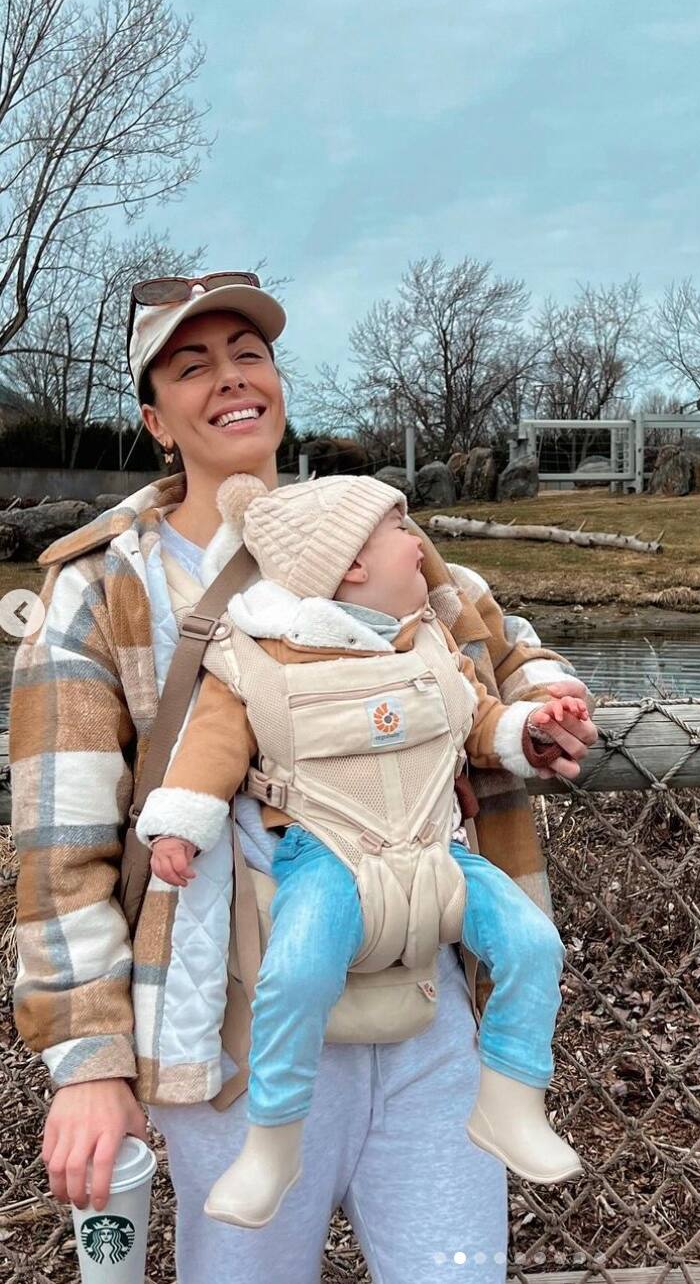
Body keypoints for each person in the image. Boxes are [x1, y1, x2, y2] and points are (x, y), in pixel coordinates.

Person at [10, 272, 597, 1283]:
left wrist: (547, 706)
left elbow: (499, 647)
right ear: (155, 417)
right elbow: (62, 847)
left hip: (426, 997)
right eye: (192, 366)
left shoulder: (370, 534)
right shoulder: (100, 586)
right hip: (233, 1027)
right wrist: (92, 1063)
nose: (231, 380)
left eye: (249, 355)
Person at [138, 471, 595, 1227]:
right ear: (351, 563)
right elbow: (211, 748)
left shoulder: (428, 641)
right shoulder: (257, 657)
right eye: (402, 531)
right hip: (325, 857)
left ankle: (512, 1100)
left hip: (438, 852)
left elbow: (478, 719)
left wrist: (533, 729)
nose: (421, 544)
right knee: (295, 974)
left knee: (533, 943)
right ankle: (273, 1142)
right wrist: (182, 824)